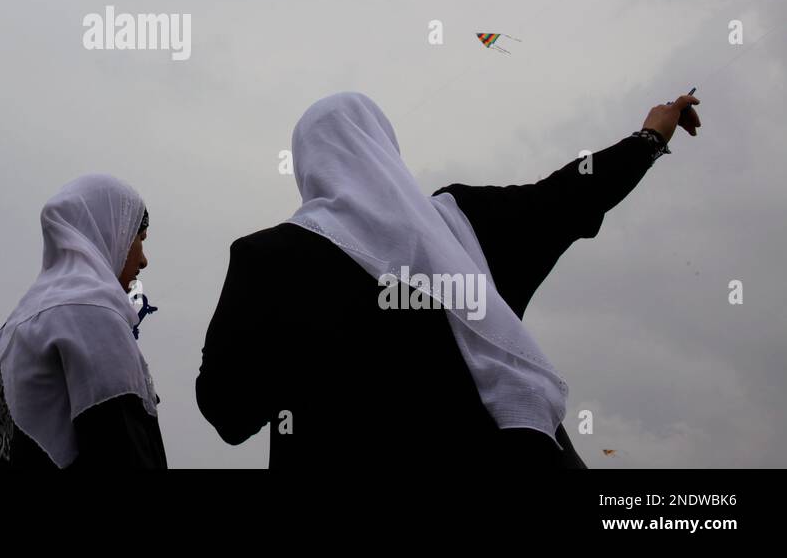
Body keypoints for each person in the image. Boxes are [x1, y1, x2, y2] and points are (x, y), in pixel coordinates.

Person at [196, 90, 701, 468]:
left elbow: (228, 410)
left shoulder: (267, 258)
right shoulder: (464, 227)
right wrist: (650, 137)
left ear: (306, 165)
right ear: (386, 148)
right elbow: (567, 196)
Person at [0, 173, 167, 469]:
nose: (144, 260)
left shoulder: (16, 324)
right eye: (138, 239)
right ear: (110, 232)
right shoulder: (89, 314)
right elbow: (122, 448)